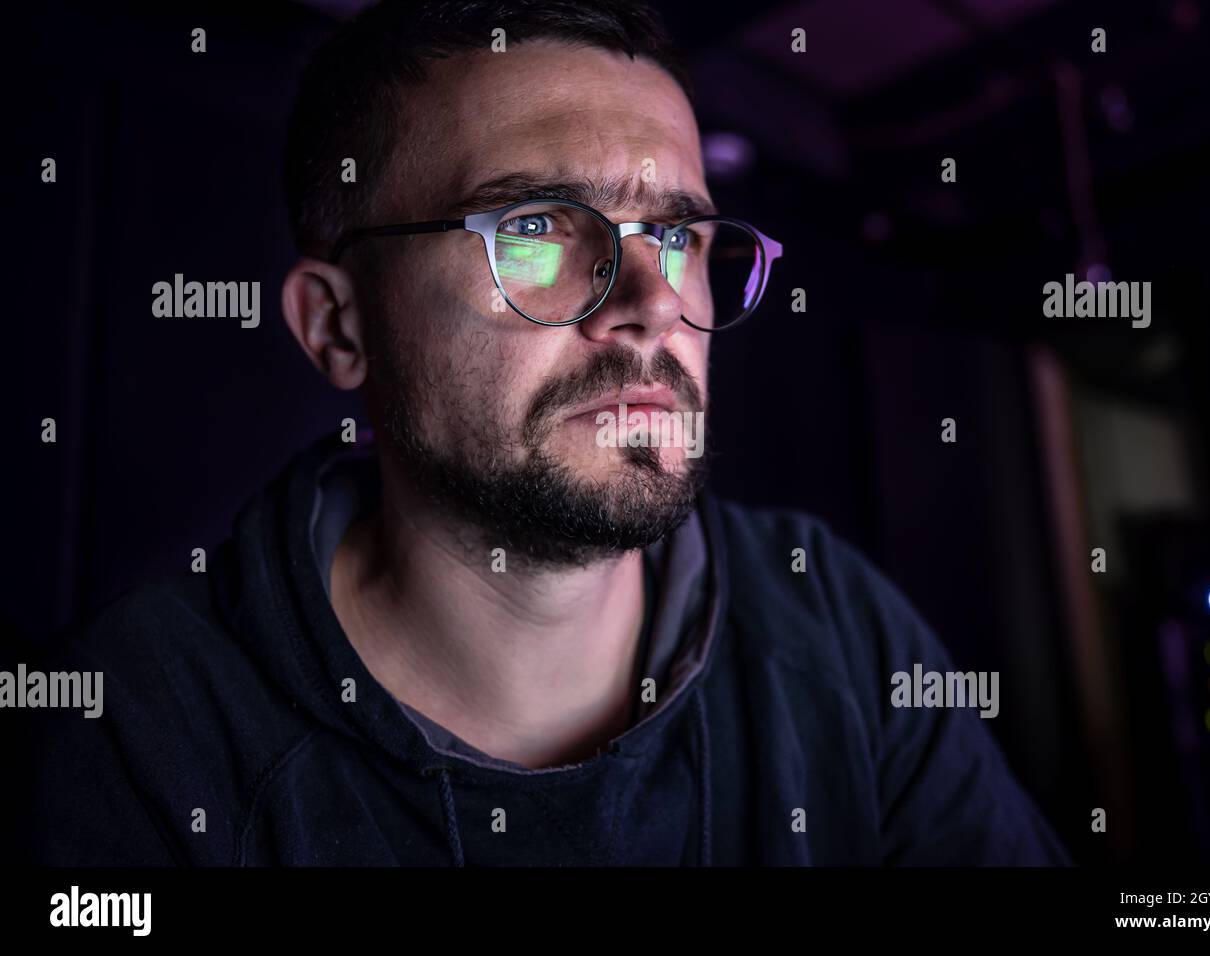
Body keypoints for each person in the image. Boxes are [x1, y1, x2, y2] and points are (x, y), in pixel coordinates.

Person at [20, 0, 1067, 866]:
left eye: (679, 235)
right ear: (341, 326)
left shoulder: (829, 619)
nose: (654, 303)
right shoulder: (135, 738)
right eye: (534, 231)